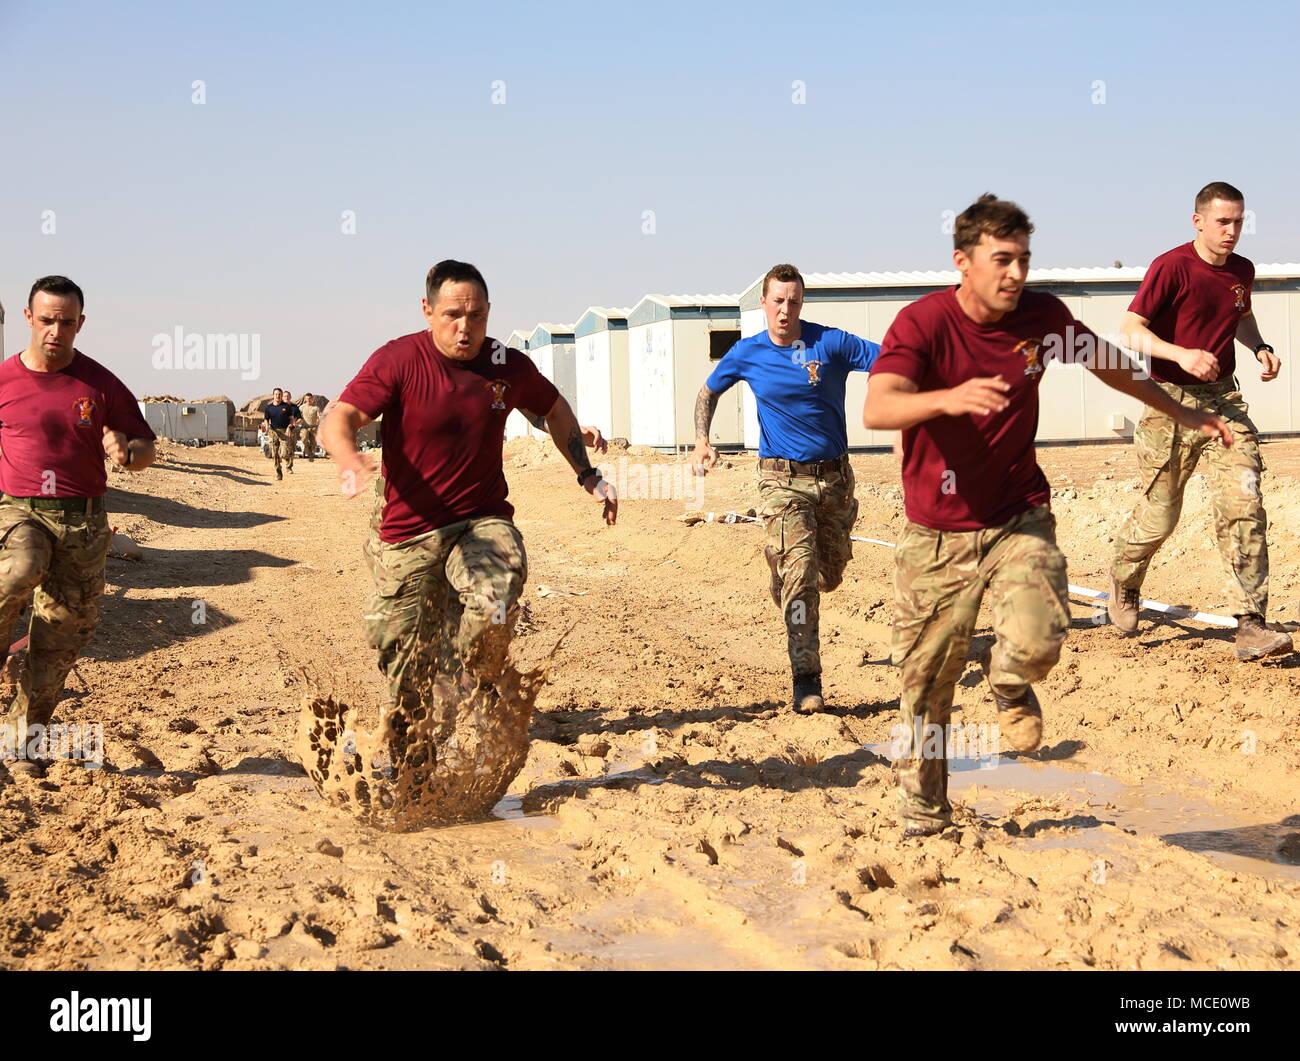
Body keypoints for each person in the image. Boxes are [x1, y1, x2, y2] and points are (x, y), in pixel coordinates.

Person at [864, 194, 1232, 838]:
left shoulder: (1042, 315)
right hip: (936, 530)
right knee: (924, 686)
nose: (1015, 274)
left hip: (1017, 512)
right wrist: (948, 399)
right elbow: (879, 406)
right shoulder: (922, 323)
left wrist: (1179, 410)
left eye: (1024, 260)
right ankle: (924, 811)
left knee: (1038, 637)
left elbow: (1109, 364)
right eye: (1001, 260)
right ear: (963, 262)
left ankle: (1008, 682)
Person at [320, 260, 615, 719]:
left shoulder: (506, 364)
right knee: (398, 653)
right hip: (409, 528)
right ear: (427, 310)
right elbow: (338, 417)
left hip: (481, 520)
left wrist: (588, 474)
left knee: (494, 594)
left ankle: (472, 678)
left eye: (477, 316)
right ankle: (416, 743)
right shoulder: (398, 360)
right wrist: (348, 459)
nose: (465, 328)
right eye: (452, 315)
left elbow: (552, 410)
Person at [1107, 182, 1292, 661]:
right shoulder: (1171, 267)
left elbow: (1240, 313)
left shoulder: (1242, 270)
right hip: (1168, 399)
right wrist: (1181, 354)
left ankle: (1251, 623)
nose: (1232, 231)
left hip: (1222, 400)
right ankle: (1124, 580)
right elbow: (1130, 331)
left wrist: (1260, 347)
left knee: (1243, 501)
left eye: (1239, 221)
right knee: (1160, 515)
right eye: (1223, 222)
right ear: (1198, 221)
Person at [690, 264, 880, 714]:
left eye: (793, 301)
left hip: (834, 480)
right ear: (763, 302)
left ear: (802, 303)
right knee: (801, 577)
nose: (785, 310)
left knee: (826, 576)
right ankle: (806, 680)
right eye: (777, 300)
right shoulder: (747, 352)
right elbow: (707, 392)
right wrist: (702, 439)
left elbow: (891, 358)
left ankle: (782, 569)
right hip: (780, 481)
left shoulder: (829, 343)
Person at [0, 276, 157, 778]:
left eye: (67, 322)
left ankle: (23, 744)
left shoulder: (101, 385)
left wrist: (128, 454)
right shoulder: (4, 381)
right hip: (20, 510)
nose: (56, 331)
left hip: (85, 522)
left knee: (62, 638)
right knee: (21, 567)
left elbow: (143, 448)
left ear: (80, 324)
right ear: (29, 318)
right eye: (47, 320)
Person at [262, 387, 299, 480]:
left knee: (284, 453)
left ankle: (287, 463)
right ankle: (278, 472)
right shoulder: (268, 408)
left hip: (284, 432)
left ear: (281, 396)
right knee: (275, 454)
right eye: (276, 394)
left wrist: (290, 427)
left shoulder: (286, 406)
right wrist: (267, 426)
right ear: (273, 395)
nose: (278, 396)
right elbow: (266, 419)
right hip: (273, 431)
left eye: (279, 394)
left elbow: (292, 419)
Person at [298, 393, 321, 461]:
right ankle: (307, 448)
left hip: (313, 427)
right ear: (305, 399)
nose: (308, 400)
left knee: (314, 443)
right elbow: (298, 416)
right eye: (307, 398)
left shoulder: (316, 408)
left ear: (312, 399)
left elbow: (319, 416)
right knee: (304, 439)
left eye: (310, 398)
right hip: (304, 427)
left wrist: (318, 420)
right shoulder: (301, 407)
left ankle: (311, 453)